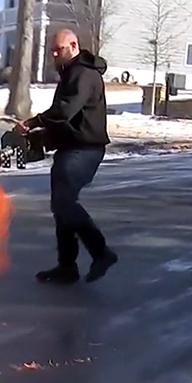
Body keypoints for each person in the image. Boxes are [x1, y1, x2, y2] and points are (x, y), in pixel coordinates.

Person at [14, 29, 118, 285]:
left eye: (58, 49)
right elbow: (67, 123)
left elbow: (65, 111)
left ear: (73, 45)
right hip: (72, 148)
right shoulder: (72, 73)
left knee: (63, 202)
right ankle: (67, 267)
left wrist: (34, 121)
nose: (54, 54)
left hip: (86, 150)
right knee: (61, 205)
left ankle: (101, 252)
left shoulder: (83, 74)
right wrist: (41, 139)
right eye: (53, 50)